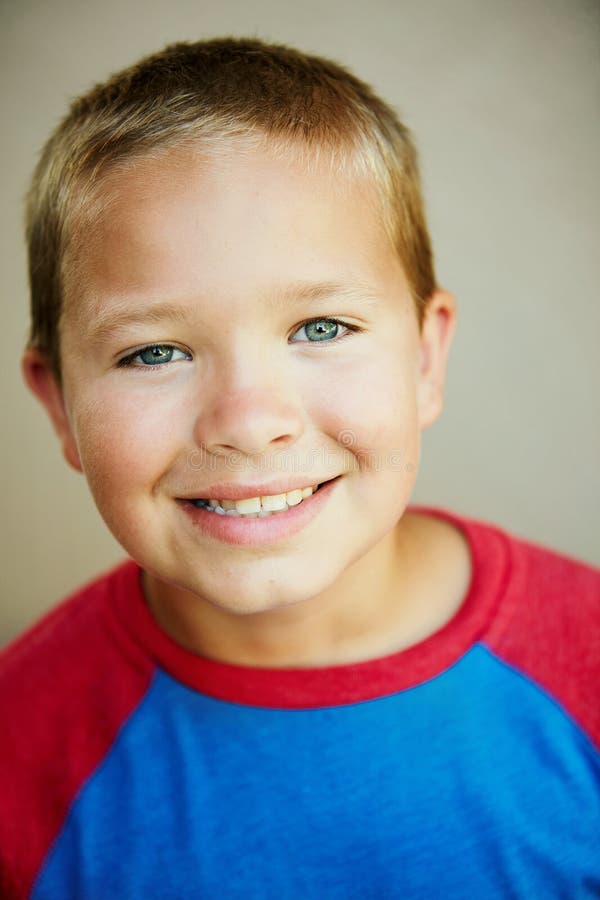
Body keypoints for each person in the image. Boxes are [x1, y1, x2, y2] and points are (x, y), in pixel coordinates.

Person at [1, 37, 598, 899]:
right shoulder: (22, 745)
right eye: (155, 351)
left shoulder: (586, 669)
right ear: (59, 404)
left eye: (321, 328)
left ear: (426, 360)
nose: (249, 423)